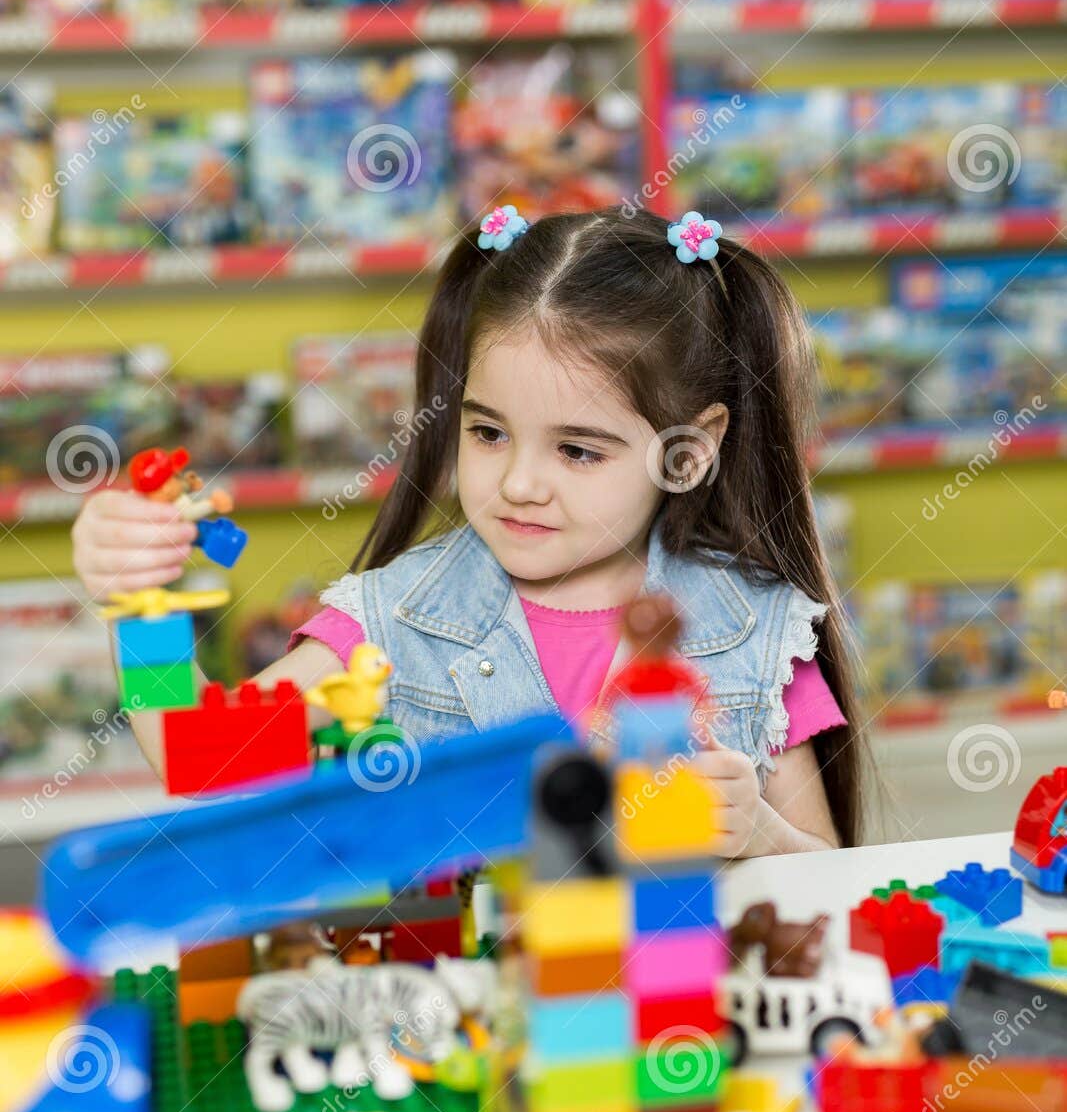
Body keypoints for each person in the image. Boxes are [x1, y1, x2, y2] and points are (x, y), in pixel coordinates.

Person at [72, 203, 862, 856]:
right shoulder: (390, 627)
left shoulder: (752, 625)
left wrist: (760, 834)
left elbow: (831, 879)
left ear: (689, 452)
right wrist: (138, 602)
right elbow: (196, 762)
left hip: (688, 1023)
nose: (517, 483)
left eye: (577, 450)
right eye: (487, 433)